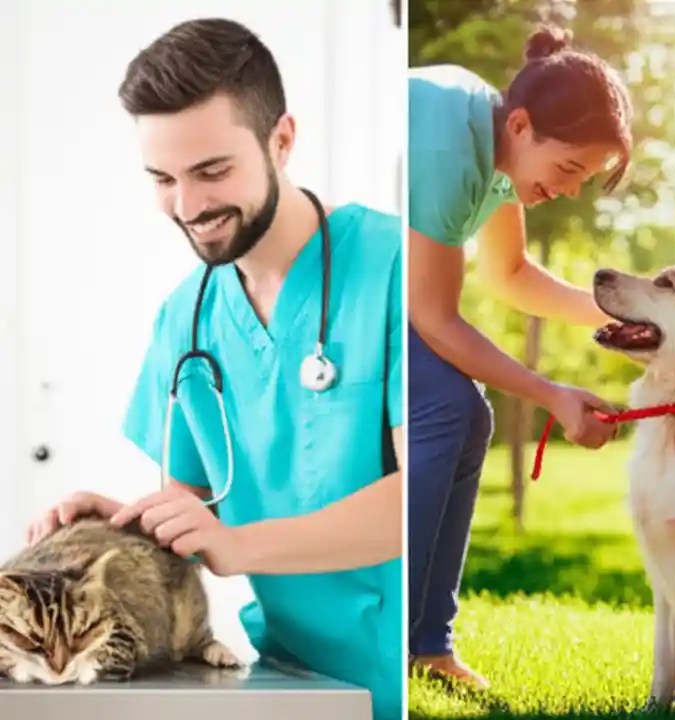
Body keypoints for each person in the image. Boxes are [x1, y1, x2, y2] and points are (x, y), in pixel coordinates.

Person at [24, 18, 404, 720]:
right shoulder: (185, 318)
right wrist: (128, 527)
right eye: (163, 178)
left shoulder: (393, 266)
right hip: (291, 680)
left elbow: (425, 494)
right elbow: (194, 516)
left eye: (212, 171)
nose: (189, 206)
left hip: (398, 674)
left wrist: (236, 543)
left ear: (282, 140)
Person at [405, 24, 633, 687]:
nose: (566, 191)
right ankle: (399, 639)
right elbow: (436, 319)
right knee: (450, 408)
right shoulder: (449, 146)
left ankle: (428, 646)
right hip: (330, 288)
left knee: (467, 415)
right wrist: (552, 394)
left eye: (581, 180)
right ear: (526, 125)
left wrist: (617, 315)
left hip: (382, 289)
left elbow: (509, 276)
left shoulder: (497, 145)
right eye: (567, 170)